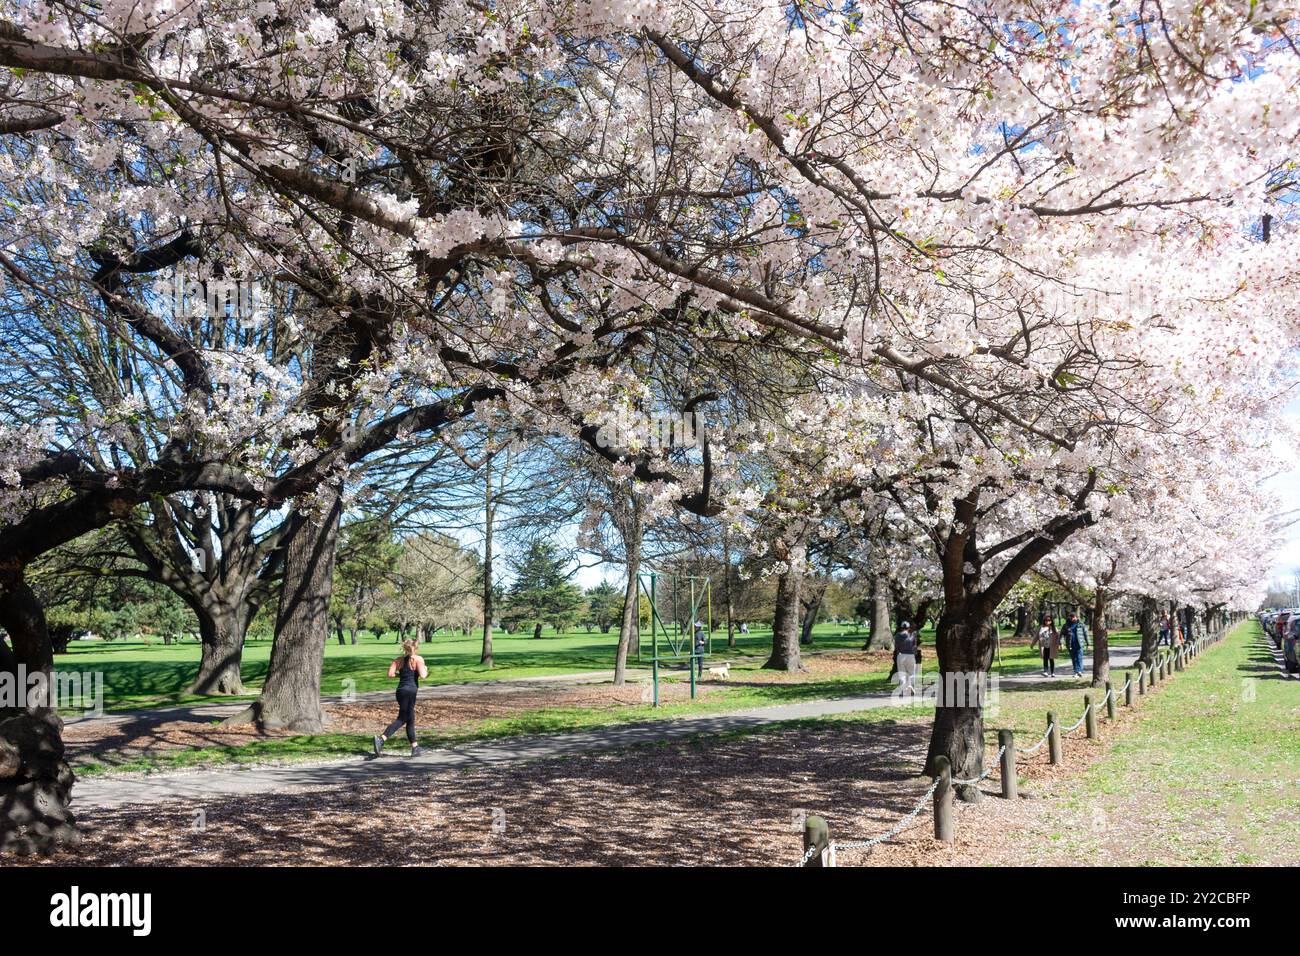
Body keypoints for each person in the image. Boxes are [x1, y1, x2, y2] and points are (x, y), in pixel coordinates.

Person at [374, 638, 428, 756]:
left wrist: (401, 675)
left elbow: (390, 674)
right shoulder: (418, 659)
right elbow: (423, 675)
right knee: (403, 718)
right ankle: (381, 739)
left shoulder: (399, 660)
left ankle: (415, 747)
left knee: (410, 718)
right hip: (410, 692)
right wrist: (426, 670)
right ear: (415, 647)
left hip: (400, 691)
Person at [893, 620, 918, 696]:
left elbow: (896, 647)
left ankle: (902, 689)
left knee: (902, 674)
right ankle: (910, 686)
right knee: (911, 673)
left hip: (901, 655)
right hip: (910, 655)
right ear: (908, 628)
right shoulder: (912, 635)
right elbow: (915, 647)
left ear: (901, 627)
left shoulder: (897, 635)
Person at [1063, 613, 1087, 678]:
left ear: (1076, 617)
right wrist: (1061, 643)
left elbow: (1086, 634)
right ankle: (1076, 671)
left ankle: (1079, 671)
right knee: (1074, 659)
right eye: (1071, 617)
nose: (1072, 618)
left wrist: (1088, 644)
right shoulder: (1066, 625)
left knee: (1079, 658)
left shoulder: (1081, 624)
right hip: (1070, 645)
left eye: (1074, 617)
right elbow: (1062, 634)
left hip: (1079, 644)